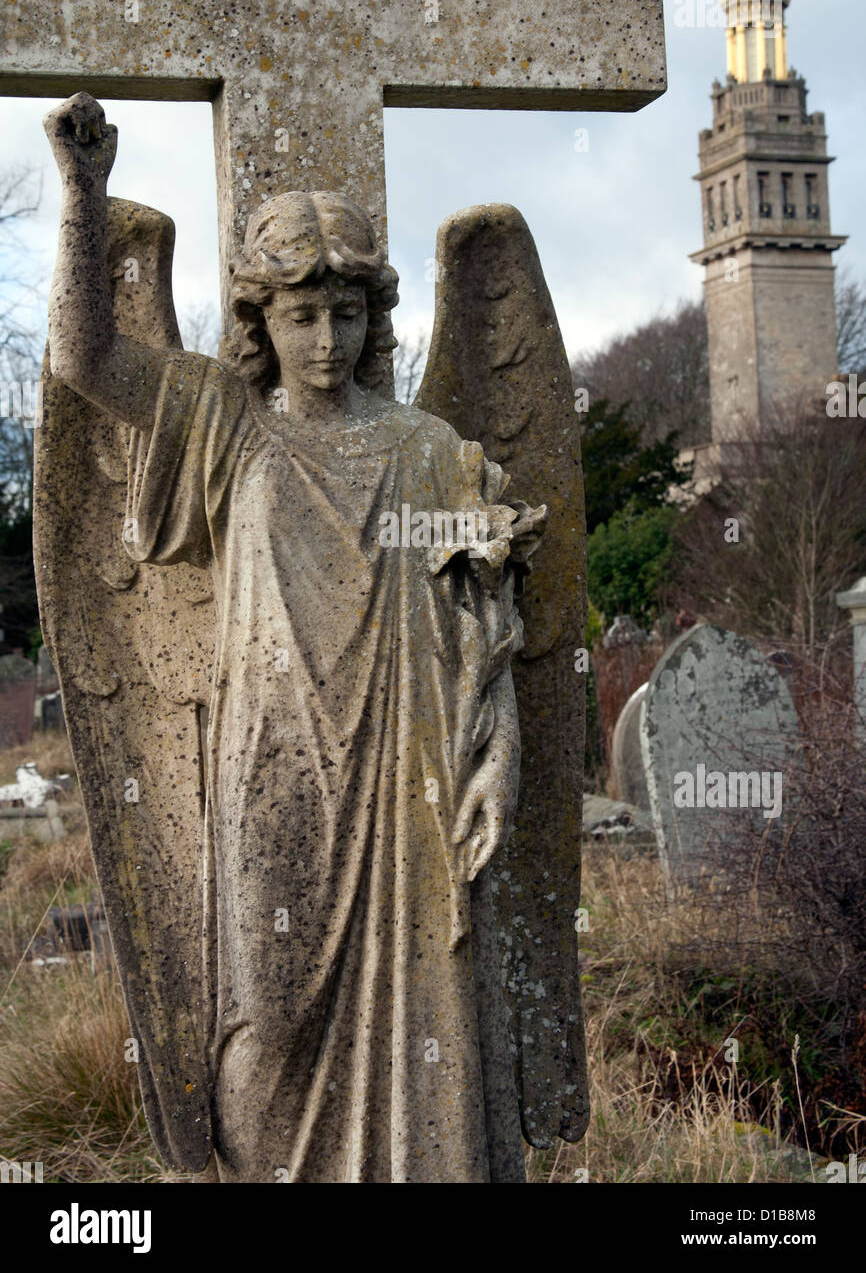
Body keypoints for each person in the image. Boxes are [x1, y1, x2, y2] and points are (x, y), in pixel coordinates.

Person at [44, 91, 544, 1182]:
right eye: (300, 316)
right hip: (269, 778)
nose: (326, 341)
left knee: (430, 1033)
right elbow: (88, 362)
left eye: (347, 315)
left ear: (373, 318)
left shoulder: (428, 453)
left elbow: (486, 632)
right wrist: (82, 194)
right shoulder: (230, 426)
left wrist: (496, 758)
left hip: (407, 785)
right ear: (261, 321)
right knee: (261, 1038)